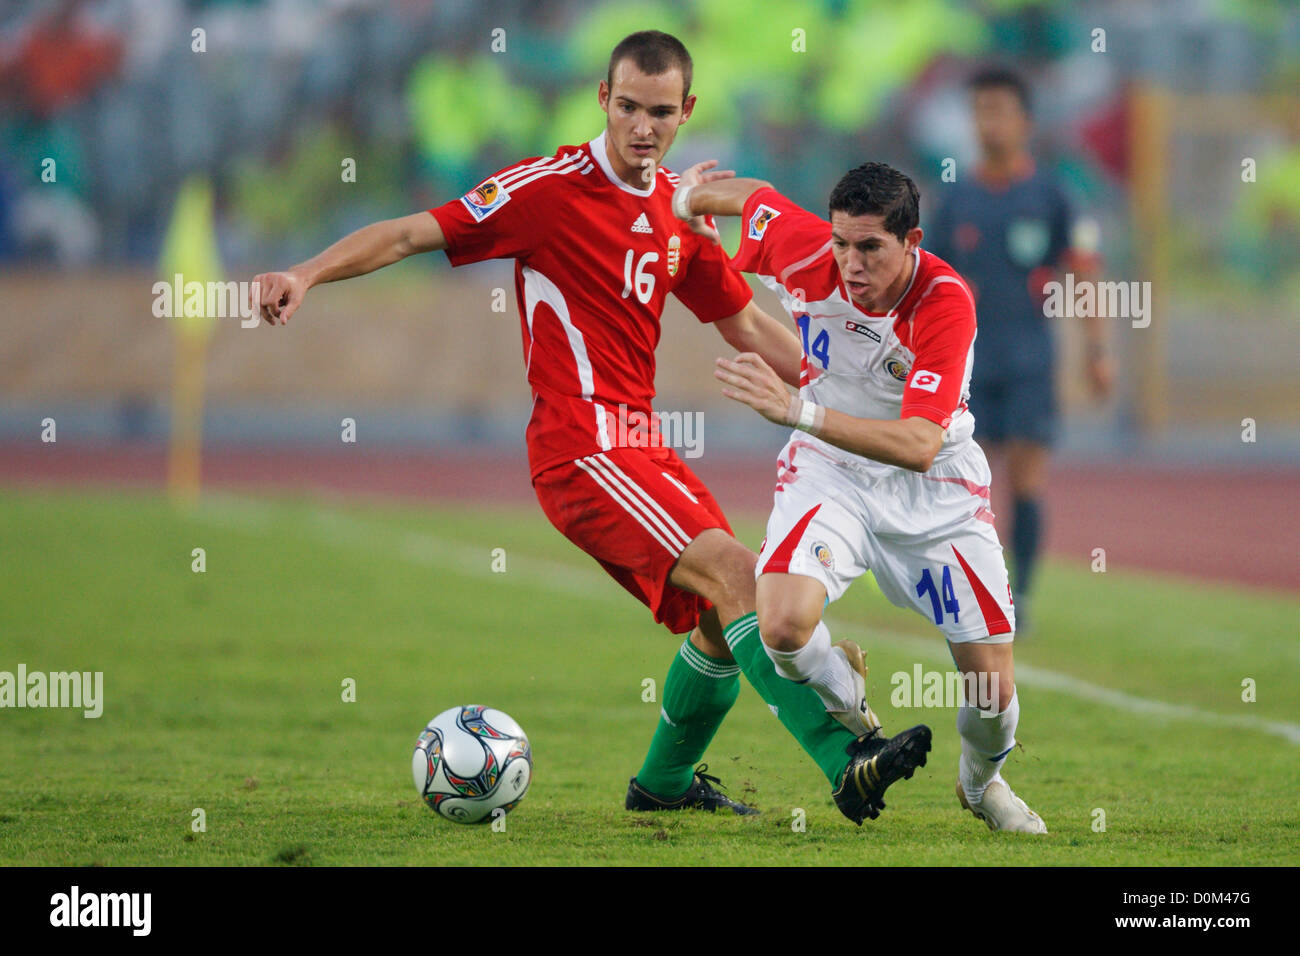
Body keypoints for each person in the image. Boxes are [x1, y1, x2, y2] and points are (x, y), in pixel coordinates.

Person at [252, 31, 928, 826]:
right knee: (739, 574)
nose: (643, 127)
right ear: (603, 100)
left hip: (640, 446)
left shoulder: (677, 210)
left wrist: (865, 405)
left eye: (661, 112)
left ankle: (662, 788)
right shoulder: (547, 190)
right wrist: (304, 273)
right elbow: (411, 232)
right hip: (580, 448)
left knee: (721, 613)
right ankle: (844, 760)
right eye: (630, 107)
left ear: (687, 113)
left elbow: (746, 324)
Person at [674, 160, 1048, 832]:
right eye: (843, 243)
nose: (850, 262)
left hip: (936, 493)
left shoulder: (943, 302)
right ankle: (849, 700)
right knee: (782, 627)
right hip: (830, 472)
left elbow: (918, 444)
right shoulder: (808, 248)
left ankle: (980, 781)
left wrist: (798, 410)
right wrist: (688, 200)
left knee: (994, 696)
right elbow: (754, 196)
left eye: (871, 246)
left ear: (913, 241)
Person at [925, 67, 1114, 630]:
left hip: (1031, 357)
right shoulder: (954, 199)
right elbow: (927, 284)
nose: (989, 122)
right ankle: (964, 593)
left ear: (1026, 122)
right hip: (967, 363)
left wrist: (1097, 349)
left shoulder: (1053, 195)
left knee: (1028, 479)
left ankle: (1021, 596)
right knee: (964, 482)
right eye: (980, 110)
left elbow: (1083, 272)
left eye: (1000, 110)